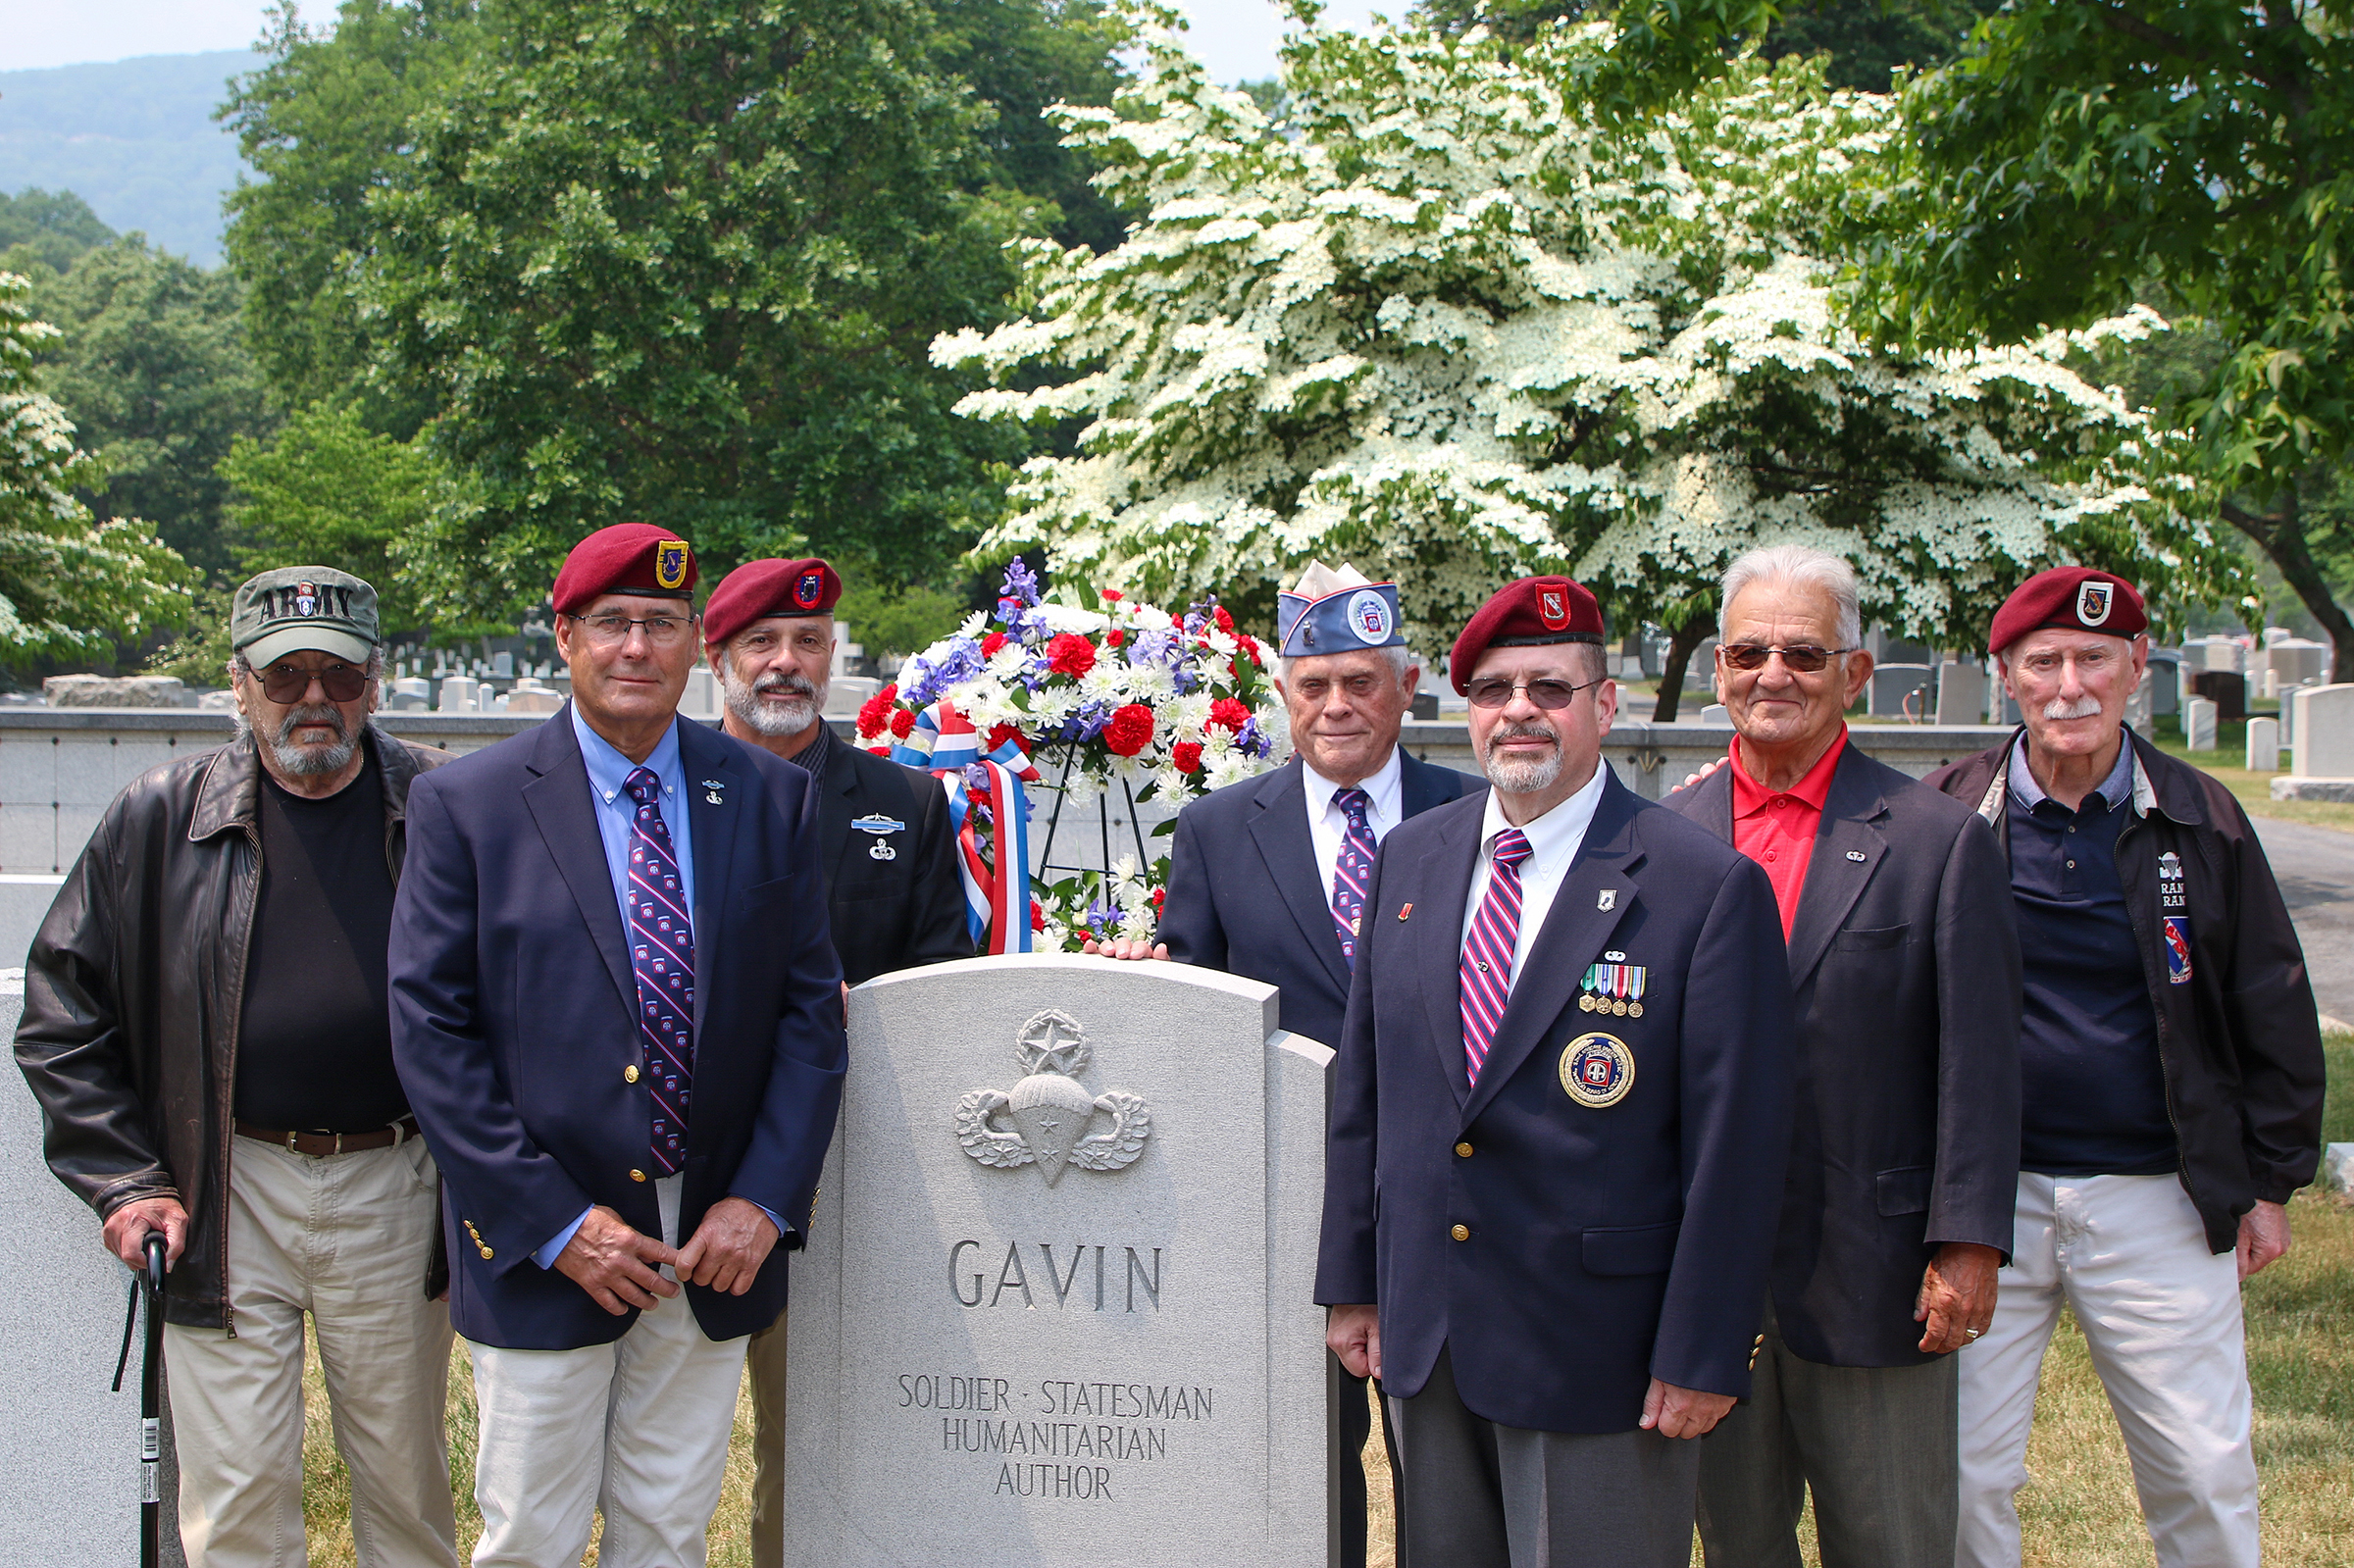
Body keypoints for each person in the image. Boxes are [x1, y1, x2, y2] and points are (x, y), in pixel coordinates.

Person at [388, 525, 845, 1568]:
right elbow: (430, 1030)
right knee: (530, 1537)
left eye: (662, 624)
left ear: (695, 644)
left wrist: (762, 1199)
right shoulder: (467, 805)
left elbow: (808, 1016)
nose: (637, 647)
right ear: (565, 637)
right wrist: (554, 1221)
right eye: (612, 622)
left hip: (710, 1235)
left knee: (668, 1531)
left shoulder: (770, 797)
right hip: (550, 1235)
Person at [1316, 574, 1796, 1568]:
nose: (1519, 710)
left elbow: (1739, 1149)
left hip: (1600, 1349)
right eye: (1494, 689)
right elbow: (1367, 1095)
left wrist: (1705, 1349)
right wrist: (1355, 1283)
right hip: (1431, 1331)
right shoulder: (1410, 859)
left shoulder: (1701, 886)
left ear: (1605, 705)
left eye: (1550, 687)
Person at [16, 567, 458, 1568]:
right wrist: (125, 1179)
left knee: (407, 1493)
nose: (314, 698)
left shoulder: (442, 805)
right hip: (226, 1186)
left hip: (397, 1180)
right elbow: (61, 1013)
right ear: (240, 683)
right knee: (237, 1505)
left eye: (339, 675)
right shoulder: (158, 816)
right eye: (284, 674)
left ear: (376, 680)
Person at [1923, 567, 2326, 1568]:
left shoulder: (2201, 815)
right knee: (1959, 1477)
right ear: (2006, 674)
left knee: (2202, 1471)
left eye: (2095, 659)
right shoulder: (1948, 813)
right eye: (2045, 662)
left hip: (2159, 1193)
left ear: (2137, 666)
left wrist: (2269, 1180)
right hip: (1987, 1203)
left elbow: (2270, 996)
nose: (2070, 686)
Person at [1092, 560, 1479, 1565]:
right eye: (1314, 684)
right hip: (1286, 1204)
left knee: (1451, 1477)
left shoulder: (1478, 815)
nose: (1336, 704)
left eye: (1360, 681)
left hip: (1450, 1196)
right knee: (1299, 1471)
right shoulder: (1219, 829)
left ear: (1407, 686)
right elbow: (1202, 1009)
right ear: (1284, 693)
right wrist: (1153, 981)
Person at [1662, 544, 2021, 1568]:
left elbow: (1982, 1063)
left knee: (1893, 1543)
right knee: (1737, 1543)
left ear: (1854, 672)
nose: (1773, 674)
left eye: (1804, 654)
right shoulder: (1661, 837)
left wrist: (1968, 1243)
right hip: (1705, 1277)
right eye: (1749, 653)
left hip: (1878, 1271)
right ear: (1720, 671)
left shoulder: (1939, 841)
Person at [699, 554, 970, 1568]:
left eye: (807, 643)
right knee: (658, 1453)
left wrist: (870, 1011)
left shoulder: (906, 803)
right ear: (718, 660)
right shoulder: (665, 788)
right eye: (761, 643)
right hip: (684, 1164)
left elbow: (944, 983)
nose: (785, 663)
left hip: (836, 1171)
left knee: (816, 1444)